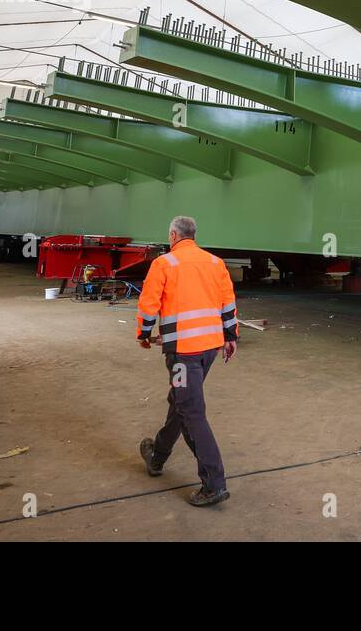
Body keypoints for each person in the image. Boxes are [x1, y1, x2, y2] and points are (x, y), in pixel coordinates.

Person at [136, 215, 239, 507]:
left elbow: (149, 304)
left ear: (173, 235)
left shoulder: (164, 264)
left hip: (183, 354)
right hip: (210, 349)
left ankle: (213, 484)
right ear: (193, 235)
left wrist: (143, 334)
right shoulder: (215, 263)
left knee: (192, 412)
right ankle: (157, 455)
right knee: (181, 403)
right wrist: (230, 335)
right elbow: (228, 303)